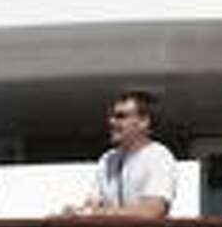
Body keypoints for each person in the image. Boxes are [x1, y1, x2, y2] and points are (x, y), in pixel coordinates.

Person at [64, 89, 177, 218]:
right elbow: (92, 204)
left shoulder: (159, 157)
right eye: (111, 116)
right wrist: (76, 212)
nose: (111, 121)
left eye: (120, 116)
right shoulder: (108, 159)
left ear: (144, 121)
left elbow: (152, 211)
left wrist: (94, 213)